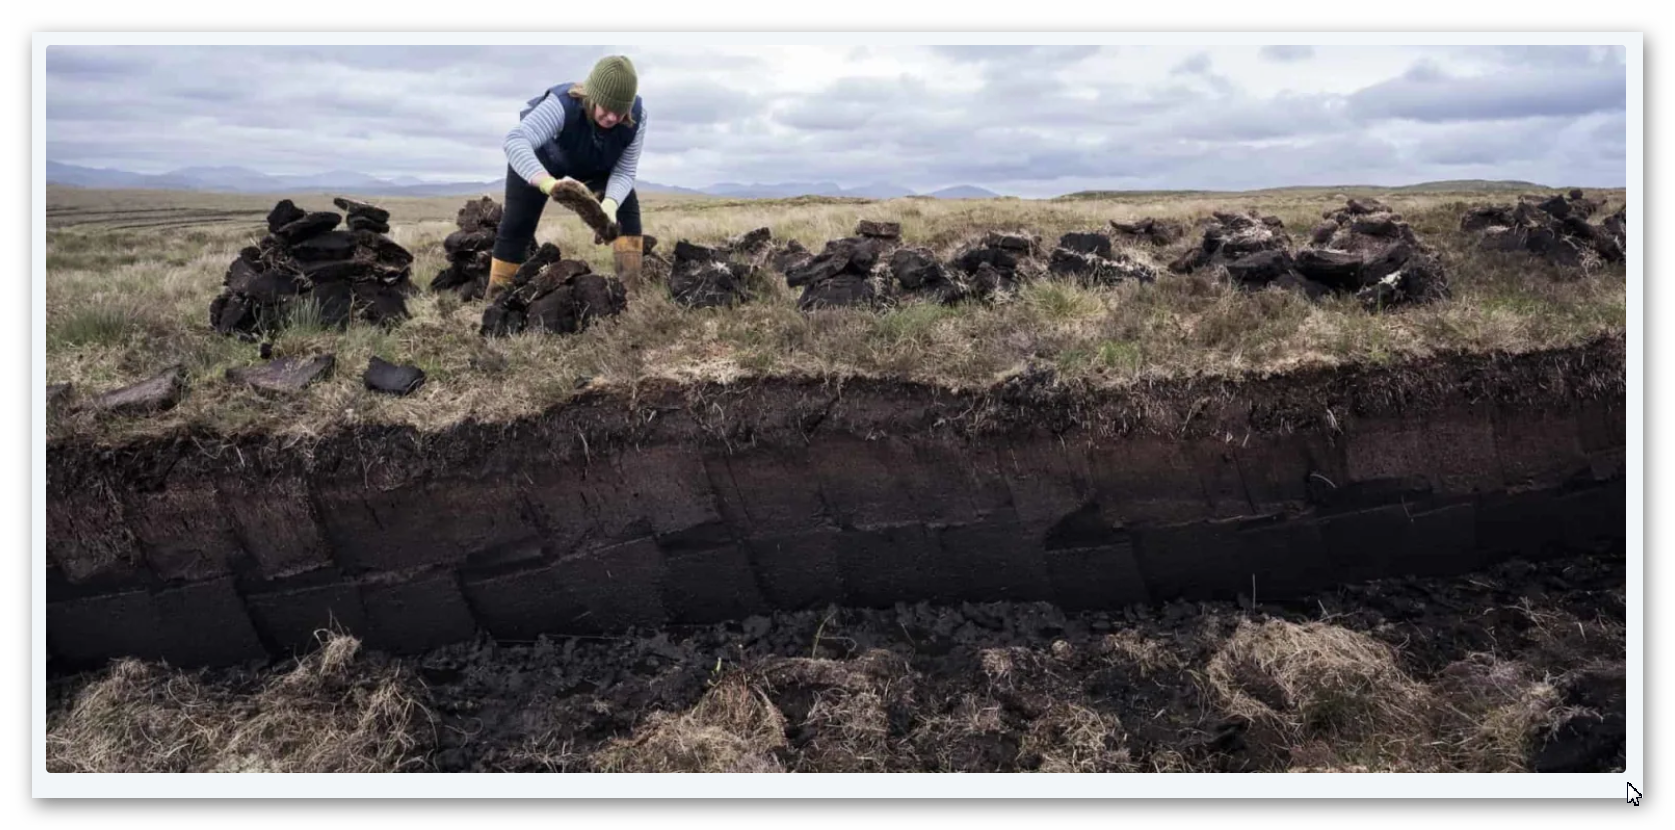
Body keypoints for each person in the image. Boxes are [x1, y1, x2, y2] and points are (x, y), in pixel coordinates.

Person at [489, 55, 645, 301]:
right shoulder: (561, 105)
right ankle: (497, 298)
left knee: (628, 209)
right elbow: (515, 141)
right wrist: (549, 184)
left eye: (621, 111)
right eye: (607, 108)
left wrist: (610, 205)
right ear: (592, 97)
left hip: (593, 167)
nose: (613, 118)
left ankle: (631, 293)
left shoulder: (637, 117)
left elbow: (625, 171)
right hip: (541, 163)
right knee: (516, 226)